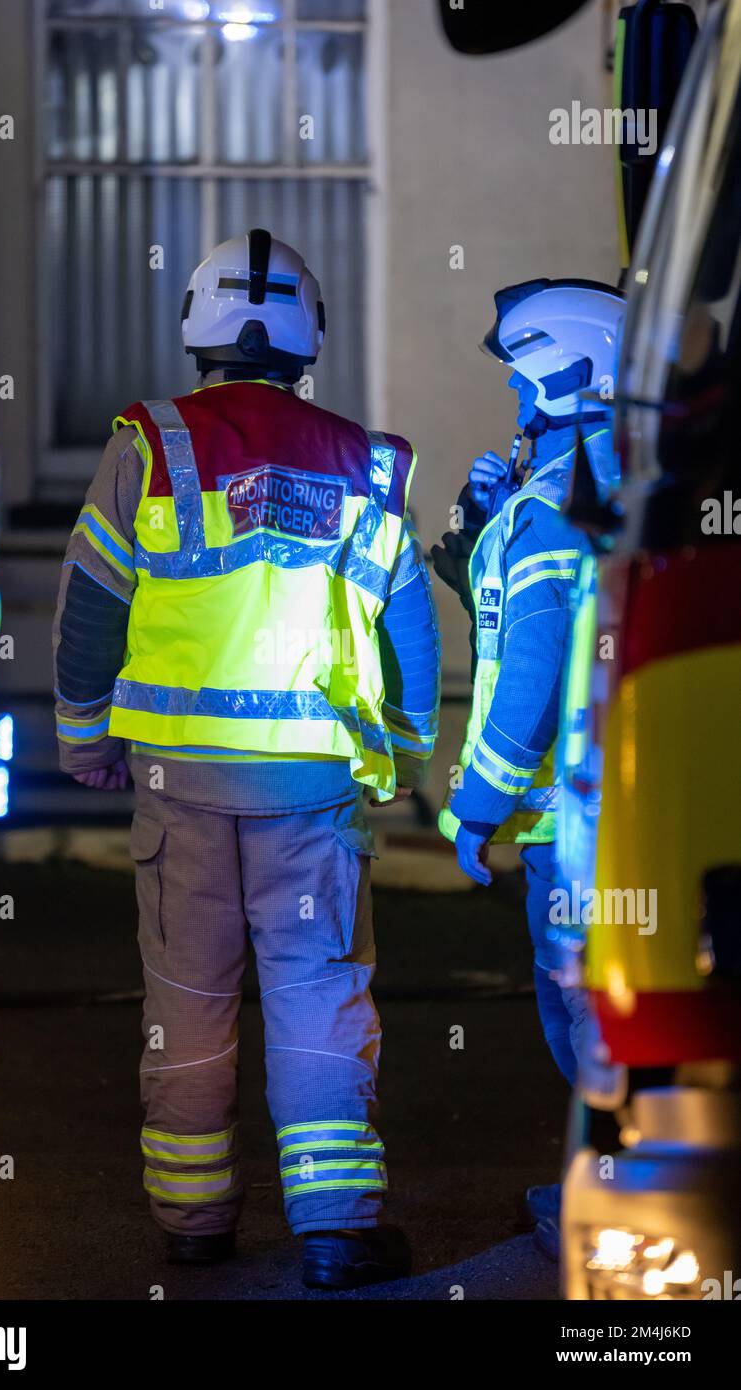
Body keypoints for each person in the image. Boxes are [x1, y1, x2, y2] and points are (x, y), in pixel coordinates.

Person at [52, 229, 440, 1290]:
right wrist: (401, 752)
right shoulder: (364, 460)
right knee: (315, 993)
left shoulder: (151, 445)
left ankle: (192, 1226)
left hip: (180, 793)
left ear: (196, 329)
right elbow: (408, 624)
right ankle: (335, 1233)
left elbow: (92, 603)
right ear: (308, 329)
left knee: (187, 994)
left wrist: (86, 738)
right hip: (311, 794)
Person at [432, 277, 625, 1256]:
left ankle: (617, 1201)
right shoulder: (581, 495)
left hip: (569, 829)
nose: (511, 401)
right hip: (614, 818)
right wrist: (473, 535)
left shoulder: (546, 510)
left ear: (569, 371)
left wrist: (473, 807)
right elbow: (520, 620)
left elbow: (529, 679)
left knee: (582, 1013)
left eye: (520, 381)